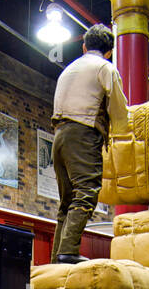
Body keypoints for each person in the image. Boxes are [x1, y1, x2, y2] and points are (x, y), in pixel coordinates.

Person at [50, 24, 128, 264]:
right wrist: (124, 130)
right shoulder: (105, 67)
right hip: (82, 135)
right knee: (87, 192)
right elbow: (119, 110)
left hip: (59, 136)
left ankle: (57, 257)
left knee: (67, 201)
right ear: (109, 52)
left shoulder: (69, 69)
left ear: (84, 46)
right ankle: (68, 252)